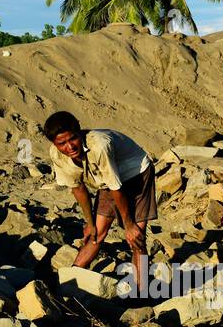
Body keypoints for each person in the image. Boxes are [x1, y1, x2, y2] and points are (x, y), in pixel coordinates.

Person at [42, 111, 155, 295]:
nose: (69, 146)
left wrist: (129, 225)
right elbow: (77, 187)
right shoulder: (56, 154)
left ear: (79, 132)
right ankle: (69, 284)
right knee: (95, 234)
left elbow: (116, 188)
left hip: (136, 172)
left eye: (73, 139)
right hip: (107, 178)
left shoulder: (99, 145)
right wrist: (89, 222)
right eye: (62, 143)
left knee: (136, 237)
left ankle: (140, 293)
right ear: (54, 144)